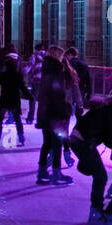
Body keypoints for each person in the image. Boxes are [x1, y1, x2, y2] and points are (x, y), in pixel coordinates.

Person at [68, 85, 112, 225]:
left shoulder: (109, 108)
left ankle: (96, 211)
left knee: (98, 173)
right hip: (83, 141)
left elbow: (111, 135)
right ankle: (96, 212)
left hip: (81, 139)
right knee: (101, 176)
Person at [36, 47, 74, 185]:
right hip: (55, 113)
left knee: (46, 143)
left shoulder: (46, 70)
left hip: (44, 112)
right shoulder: (57, 71)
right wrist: (65, 109)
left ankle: (41, 171)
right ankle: (56, 173)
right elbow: (58, 93)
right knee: (57, 143)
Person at [0, 54, 29, 147]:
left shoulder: (3, 75)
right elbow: (23, 87)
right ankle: (21, 136)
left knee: (0, 118)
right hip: (14, 99)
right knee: (17, 119)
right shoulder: (17, 75)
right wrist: (29, 96)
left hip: (4, 98)